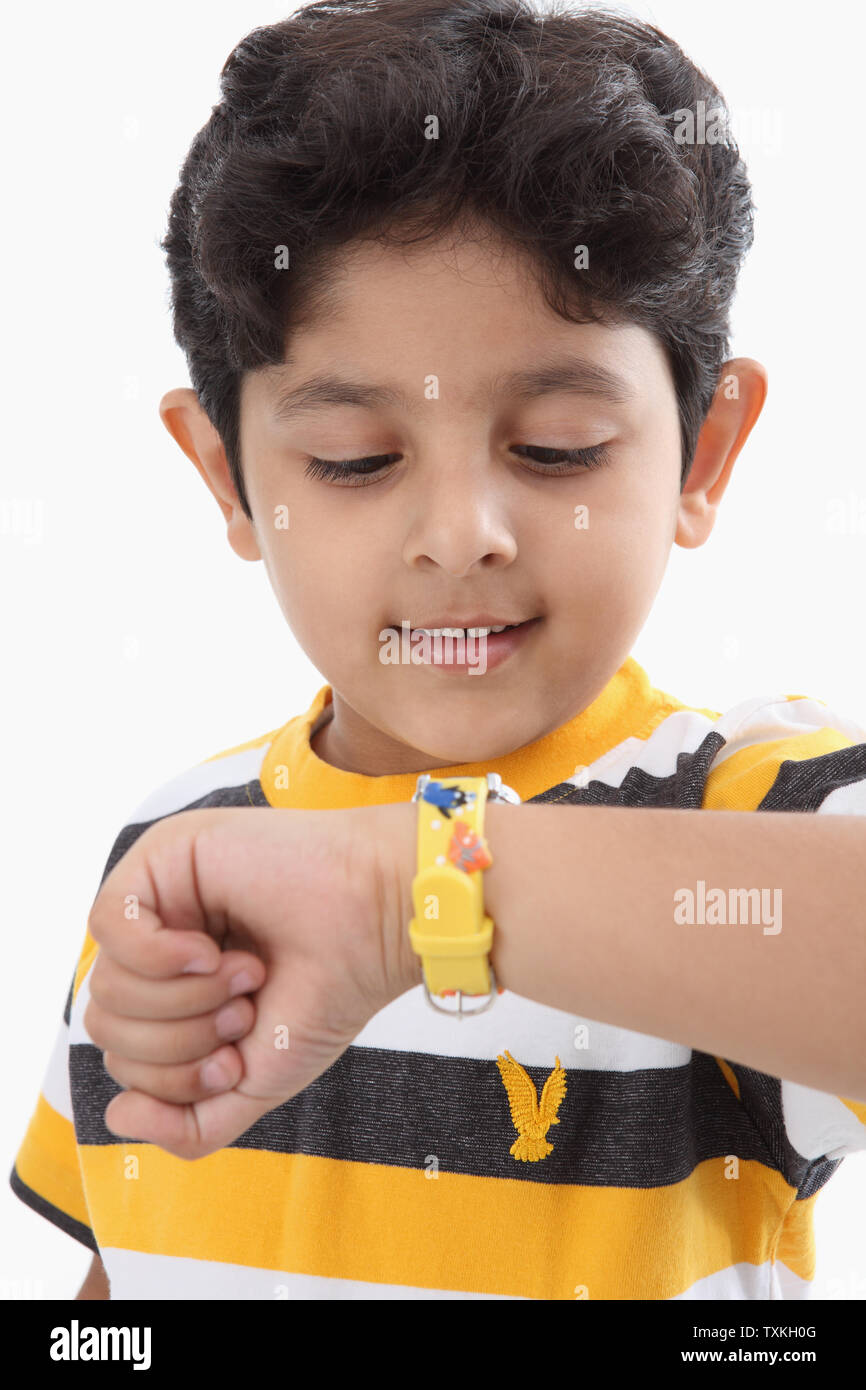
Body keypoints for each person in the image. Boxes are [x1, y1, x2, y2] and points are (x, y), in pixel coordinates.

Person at [10, 0, 866, 1301]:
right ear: (227, 478)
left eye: (556, 445)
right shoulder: (174, 856)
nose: (459, 534)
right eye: (355, 461)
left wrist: (403, 893)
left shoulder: (740, 808)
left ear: (702, 451)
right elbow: (120, 1285)